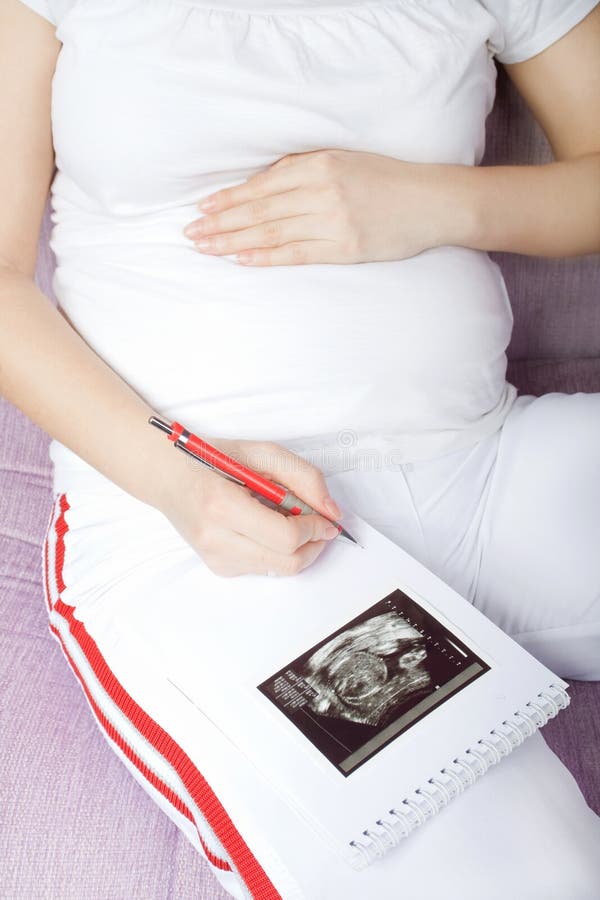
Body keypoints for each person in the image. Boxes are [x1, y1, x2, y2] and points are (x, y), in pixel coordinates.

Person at [1, 0, 599, 896]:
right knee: (529, 879)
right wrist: (179, 487)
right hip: (223, 537)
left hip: (486, 465)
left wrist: (433, 202)